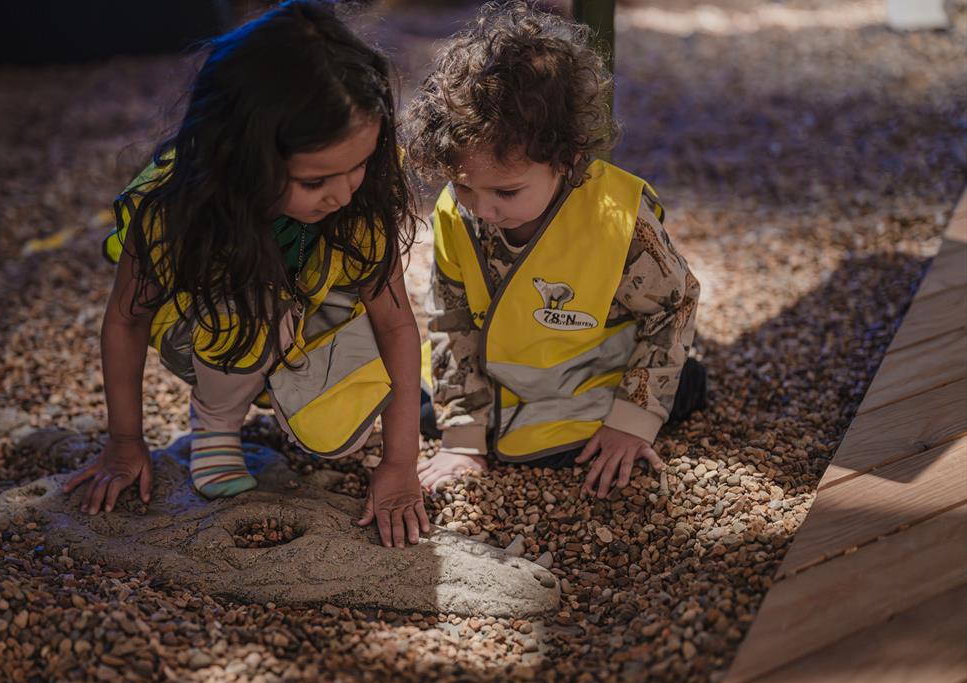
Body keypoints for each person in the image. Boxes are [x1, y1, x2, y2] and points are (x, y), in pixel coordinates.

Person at [64, 0, 430, 548]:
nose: (345, 191)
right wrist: (124, 441)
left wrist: (401, 460)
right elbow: (126, 320)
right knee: (240, 313)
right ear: (241, 156)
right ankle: (216, 420)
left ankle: (303, 391)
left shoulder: (359, 194)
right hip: (217, 321)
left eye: (361, 164)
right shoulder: (172, 211)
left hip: (307, 309)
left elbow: (396, 324)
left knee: (338, 438)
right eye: (316, 182)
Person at [407, 1, 707, 498]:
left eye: (506, 192)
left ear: (567, 158)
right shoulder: (453, 211)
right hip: (501, 380)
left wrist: (633, 420)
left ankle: (682, 386)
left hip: (594, 378)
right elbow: (450, 320)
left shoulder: (619, 218)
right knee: (416, 409)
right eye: (464, 187)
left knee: (586, 441)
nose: (482, 209)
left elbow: (673, 308)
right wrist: (461, 437)